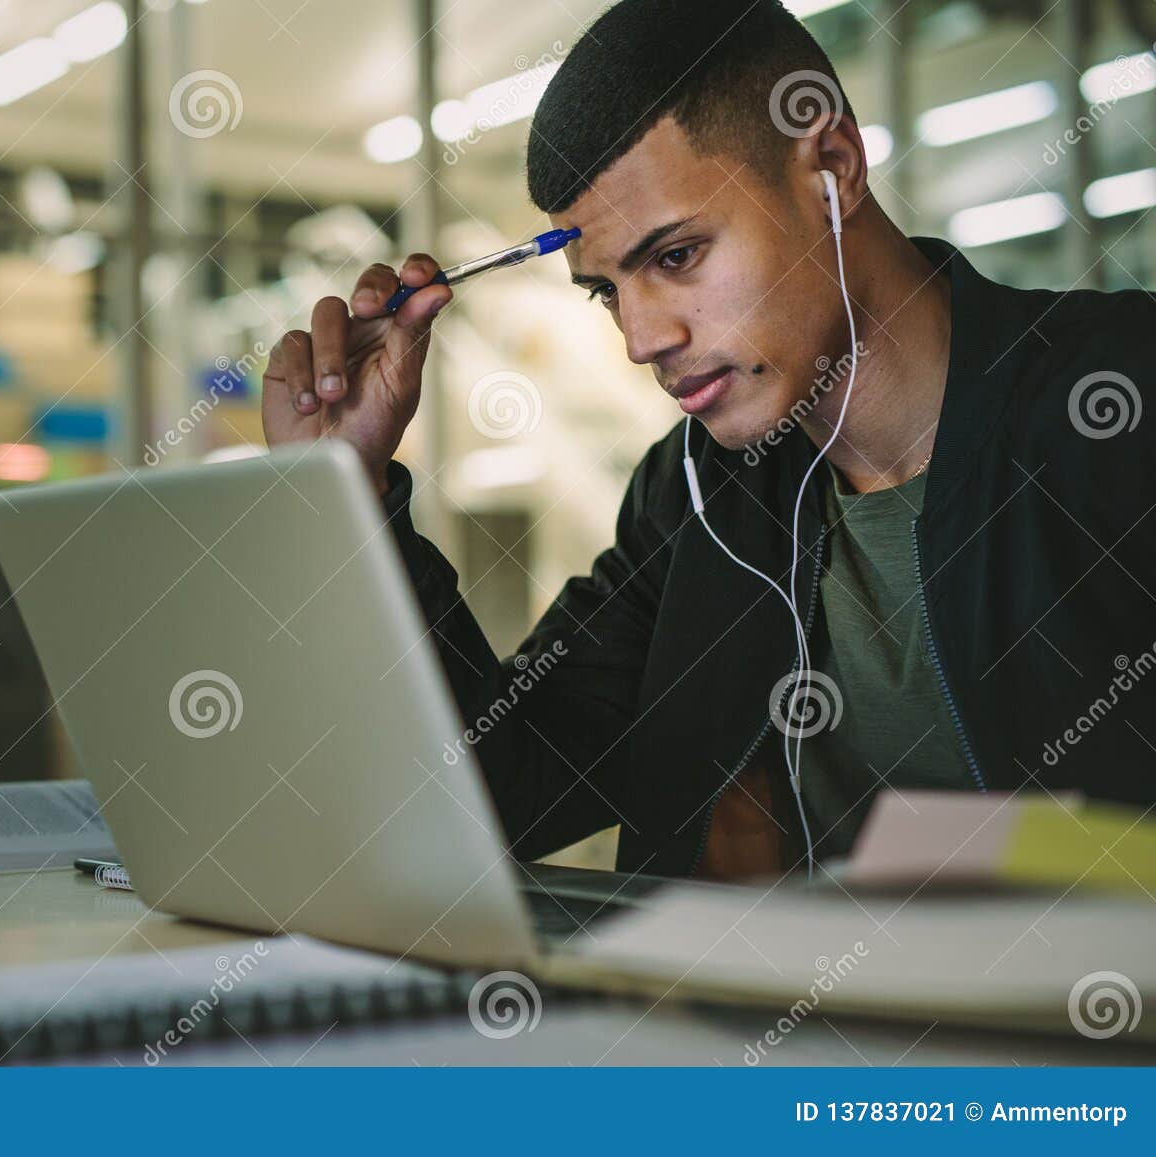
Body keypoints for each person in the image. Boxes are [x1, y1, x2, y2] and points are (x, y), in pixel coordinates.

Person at [260, 0, 1156, 881]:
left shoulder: (1118, 402)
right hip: (754, 1027)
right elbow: (505, 792)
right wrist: (353, 491)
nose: (642, 337)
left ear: (833, 168)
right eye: (607, 290)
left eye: (677, 256)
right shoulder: (694, 493)